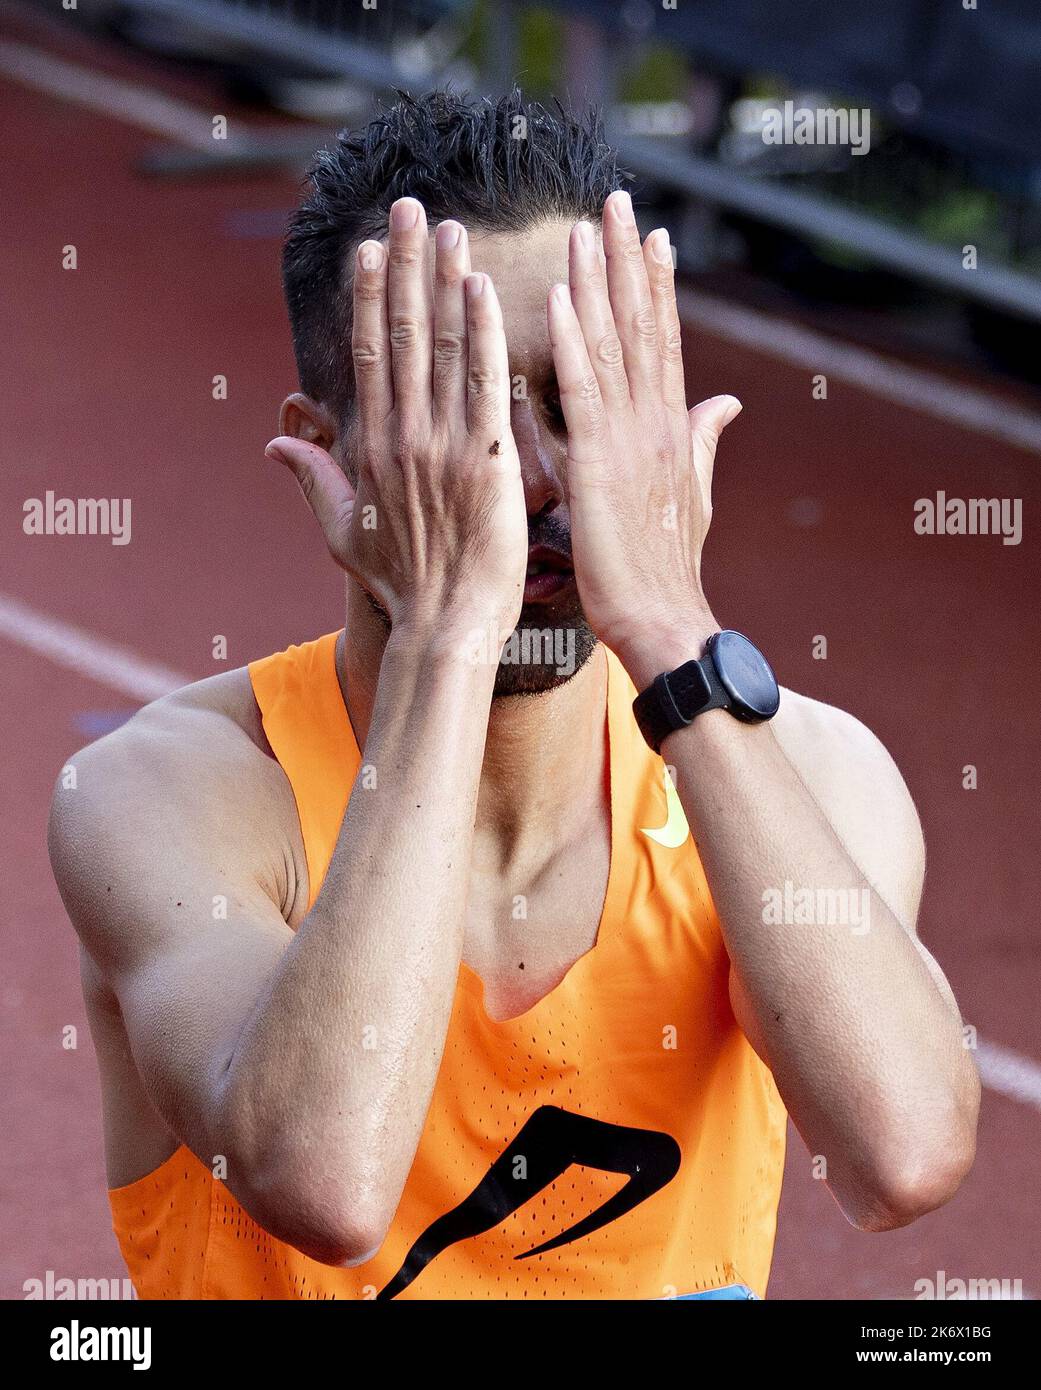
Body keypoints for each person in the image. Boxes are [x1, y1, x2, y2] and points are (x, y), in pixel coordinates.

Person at [48, 91, 978, 1301]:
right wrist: (446, 634)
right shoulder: (173, 796)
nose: (538, 476)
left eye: (576, 395)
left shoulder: (803, 772)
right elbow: (324, 1183)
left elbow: (901, 1160)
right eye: (465, 409)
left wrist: (670, 632)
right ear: (325, 458)